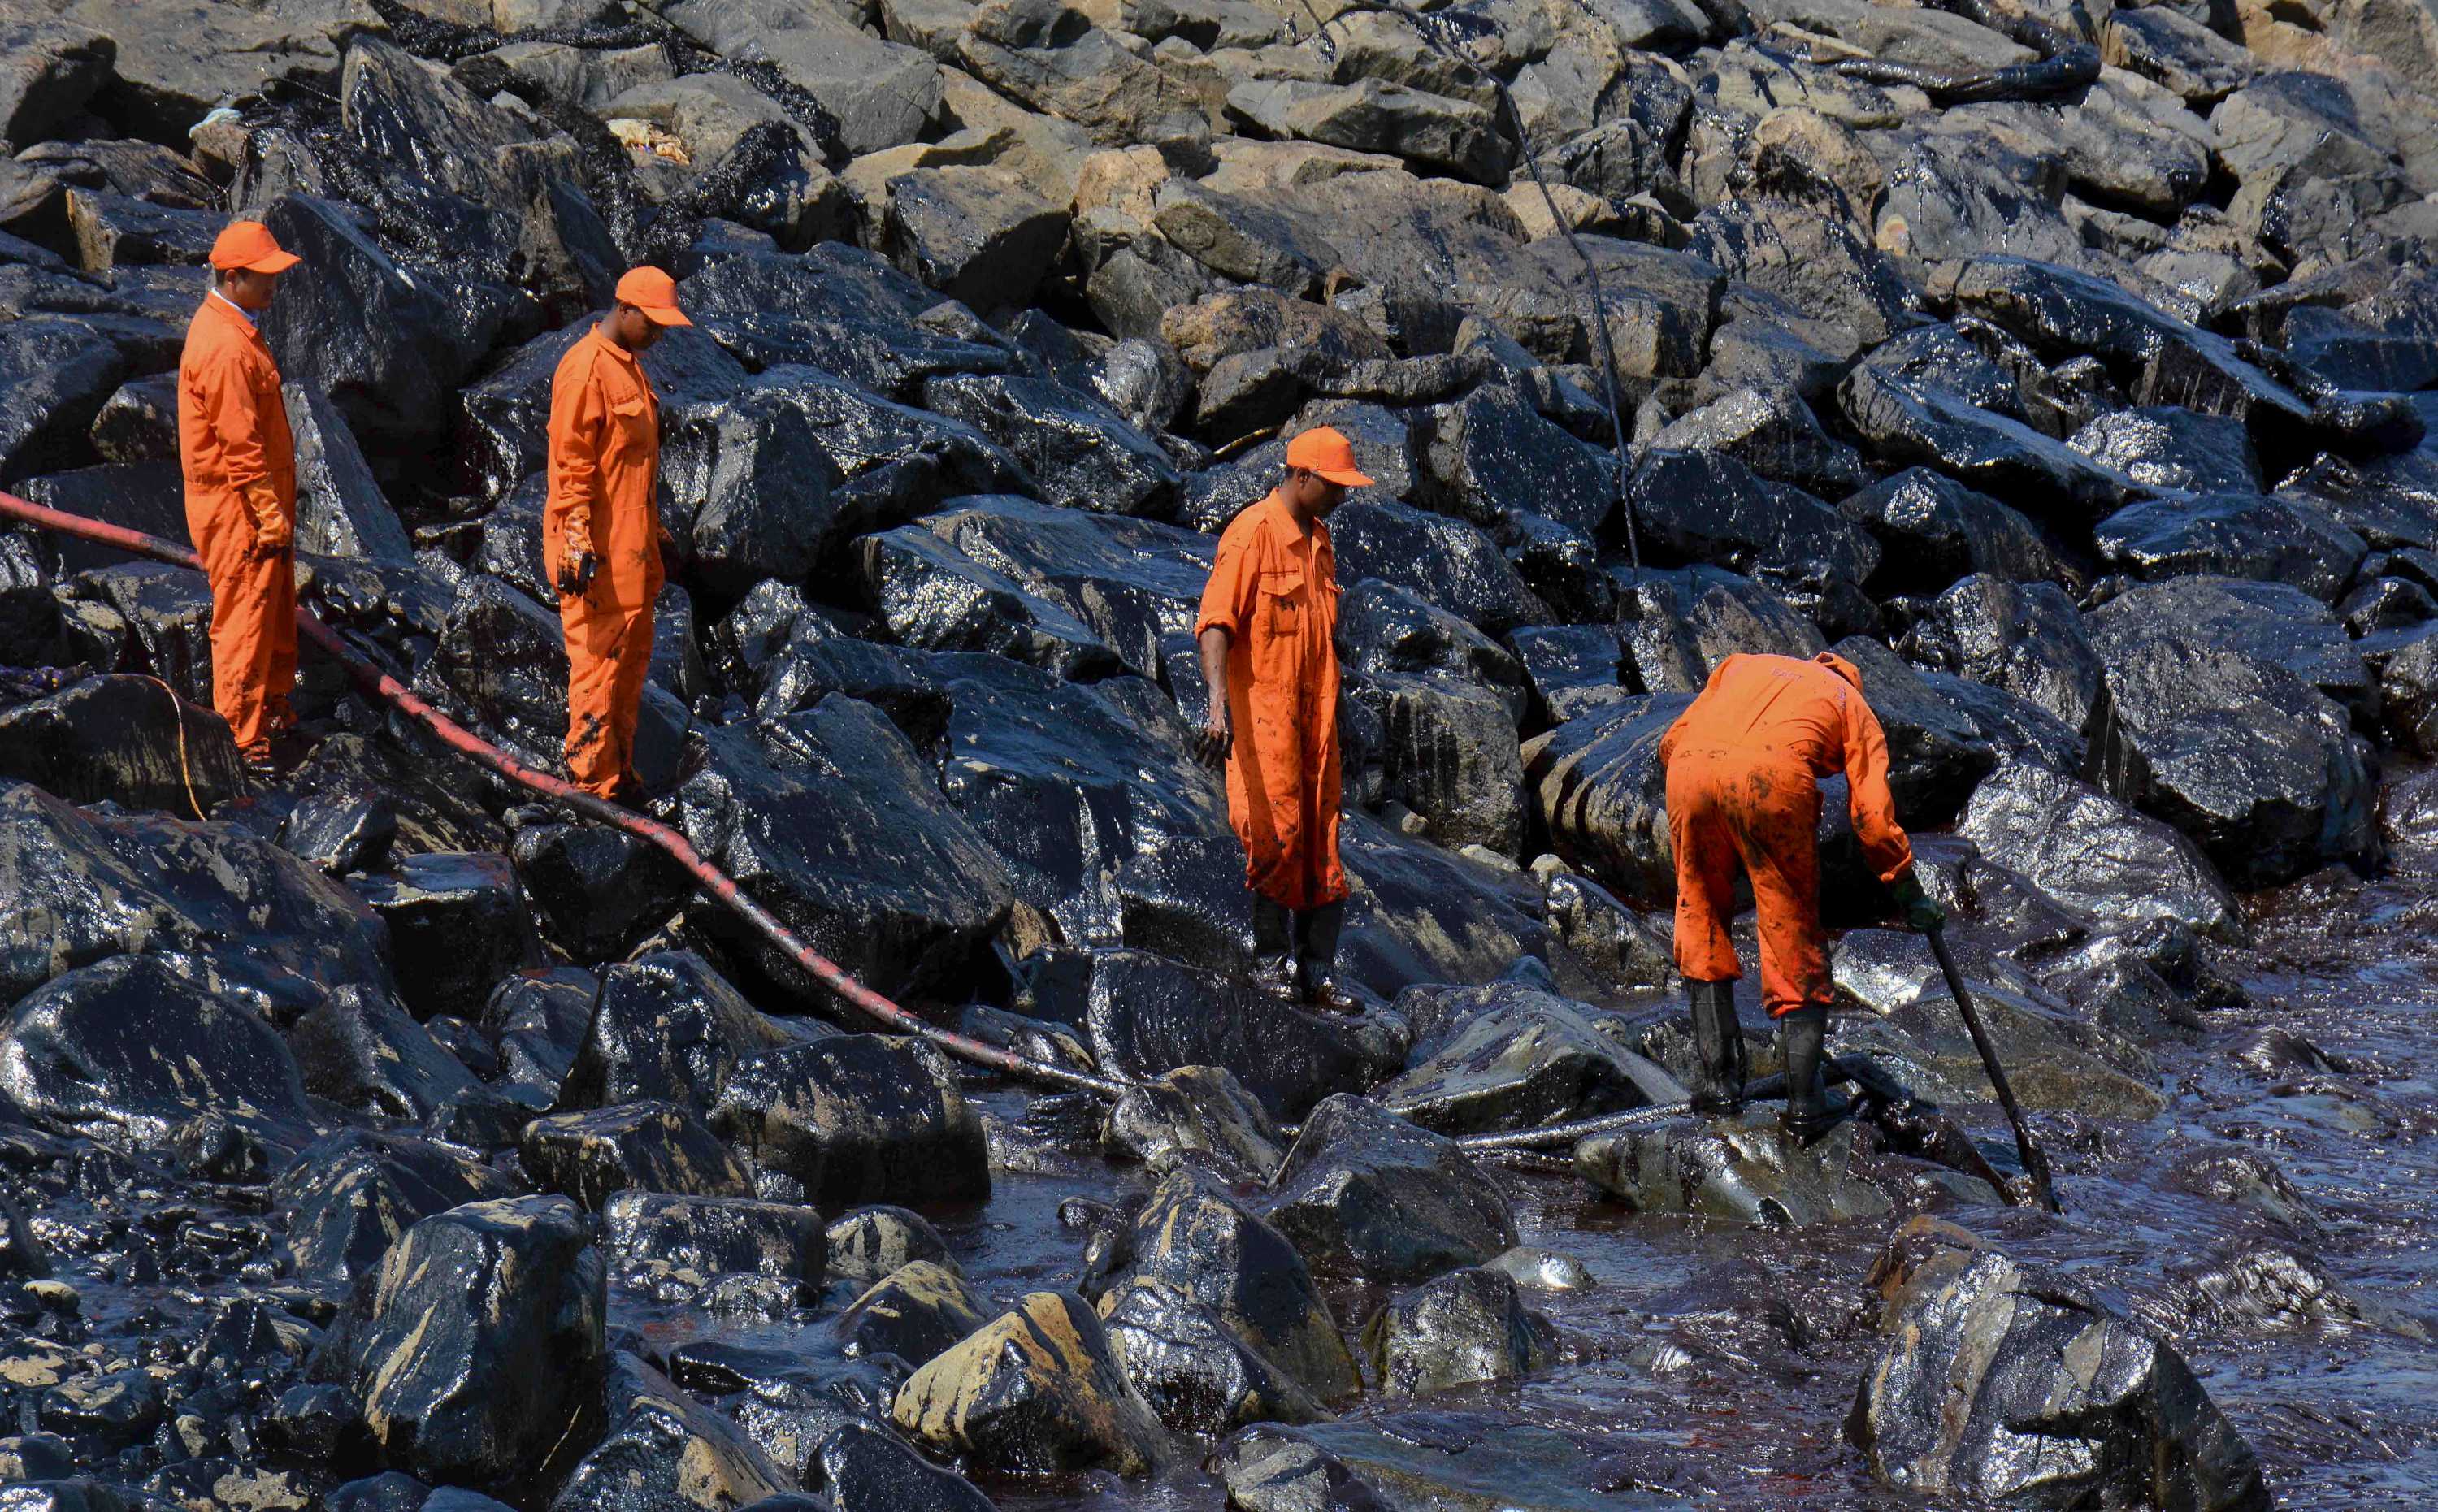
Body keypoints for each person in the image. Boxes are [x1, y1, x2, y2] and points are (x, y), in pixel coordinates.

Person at [1659, 651, 1946, 1140]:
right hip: (1771, 783)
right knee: (1790, 928)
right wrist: (1906, 886)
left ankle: (1718, 1088)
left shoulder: (1741, 664)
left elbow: (1670, 743)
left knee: (1700, 913)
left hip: (1687, 772)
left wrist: (1715, 810)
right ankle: (1805, 1104)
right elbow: (1873, 821)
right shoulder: (1850, 703)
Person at [1195, 427, 1374, 1012]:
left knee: (1324, 845)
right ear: (1302, 477)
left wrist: (1342, 716)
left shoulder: (1320, 542)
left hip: (1317, 728)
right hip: (1264, 725)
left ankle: (1319, 972)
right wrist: (1217, 707)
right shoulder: (1251, 535)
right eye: (1335, 485)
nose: (1343, 497)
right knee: (1274, 838)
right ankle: (1271, 963)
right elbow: (1216, 624)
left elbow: (1324, 644)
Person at [543, 266, 689, 806]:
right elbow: (571, 468)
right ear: (624, 310)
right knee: (596, 671)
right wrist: (577, 543)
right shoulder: (585, 373)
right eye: (652, 323)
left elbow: (630, 472)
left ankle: (620, 775)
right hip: (597, 562)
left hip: (632, 558)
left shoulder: (629, 368)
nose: (659, 334)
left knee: (628, 672)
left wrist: (656, 536)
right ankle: (591, 786)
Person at [179, 219, 301, 778]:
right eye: (265, 277)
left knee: (271, 609)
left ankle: (270, 714)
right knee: (244, 618)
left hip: (254, 500)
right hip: (238, 507)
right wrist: (268, 512)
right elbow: (240, 445)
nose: (275, 286)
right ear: (233, 278)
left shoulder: (235, 327)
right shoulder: (226, 347)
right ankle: (239, 737)